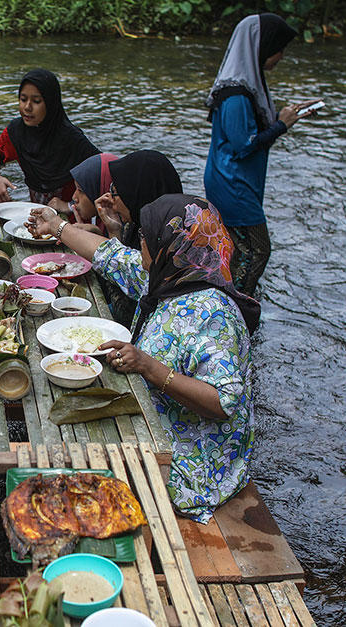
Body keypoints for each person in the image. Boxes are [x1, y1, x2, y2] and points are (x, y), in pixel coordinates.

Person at [33, 193, 261, 523]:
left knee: (81, 461)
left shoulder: (213, 313)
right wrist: (56, 226)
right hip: (155, 411)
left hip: (194, 452)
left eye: (145, 235)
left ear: (169, 243)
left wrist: (149, 367)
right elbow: (109, 255)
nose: (139, 240)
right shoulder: (167, 276)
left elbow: (222, 402)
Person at [204, 13, 321, 296]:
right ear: (262, 47)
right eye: (278, 49)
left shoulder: (248, 85)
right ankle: (236, 304)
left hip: (235, 179)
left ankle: (225, 297)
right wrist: (282, 125)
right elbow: (243, 145)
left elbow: (251, 132)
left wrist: (287, 117)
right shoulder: (236, 94)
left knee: (236, 250)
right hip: (232, 183)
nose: (280, 56)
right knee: (257, 250)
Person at [29, 150, 183, 327]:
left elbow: (122, 310)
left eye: (116, 192)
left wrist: (56, 226)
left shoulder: (162, 255)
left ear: (135, 194)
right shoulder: (141, 228)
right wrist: (114, 233)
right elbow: (116, 258)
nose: (111, 201)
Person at [0, 69, 99, 205]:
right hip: (35, 211)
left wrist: (69, 205)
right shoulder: (16, 132)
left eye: (36, 101)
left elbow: (104, 176)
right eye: (23, 99)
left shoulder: (71, 138)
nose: (27, 107)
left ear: (51, 103)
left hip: (74, 216)